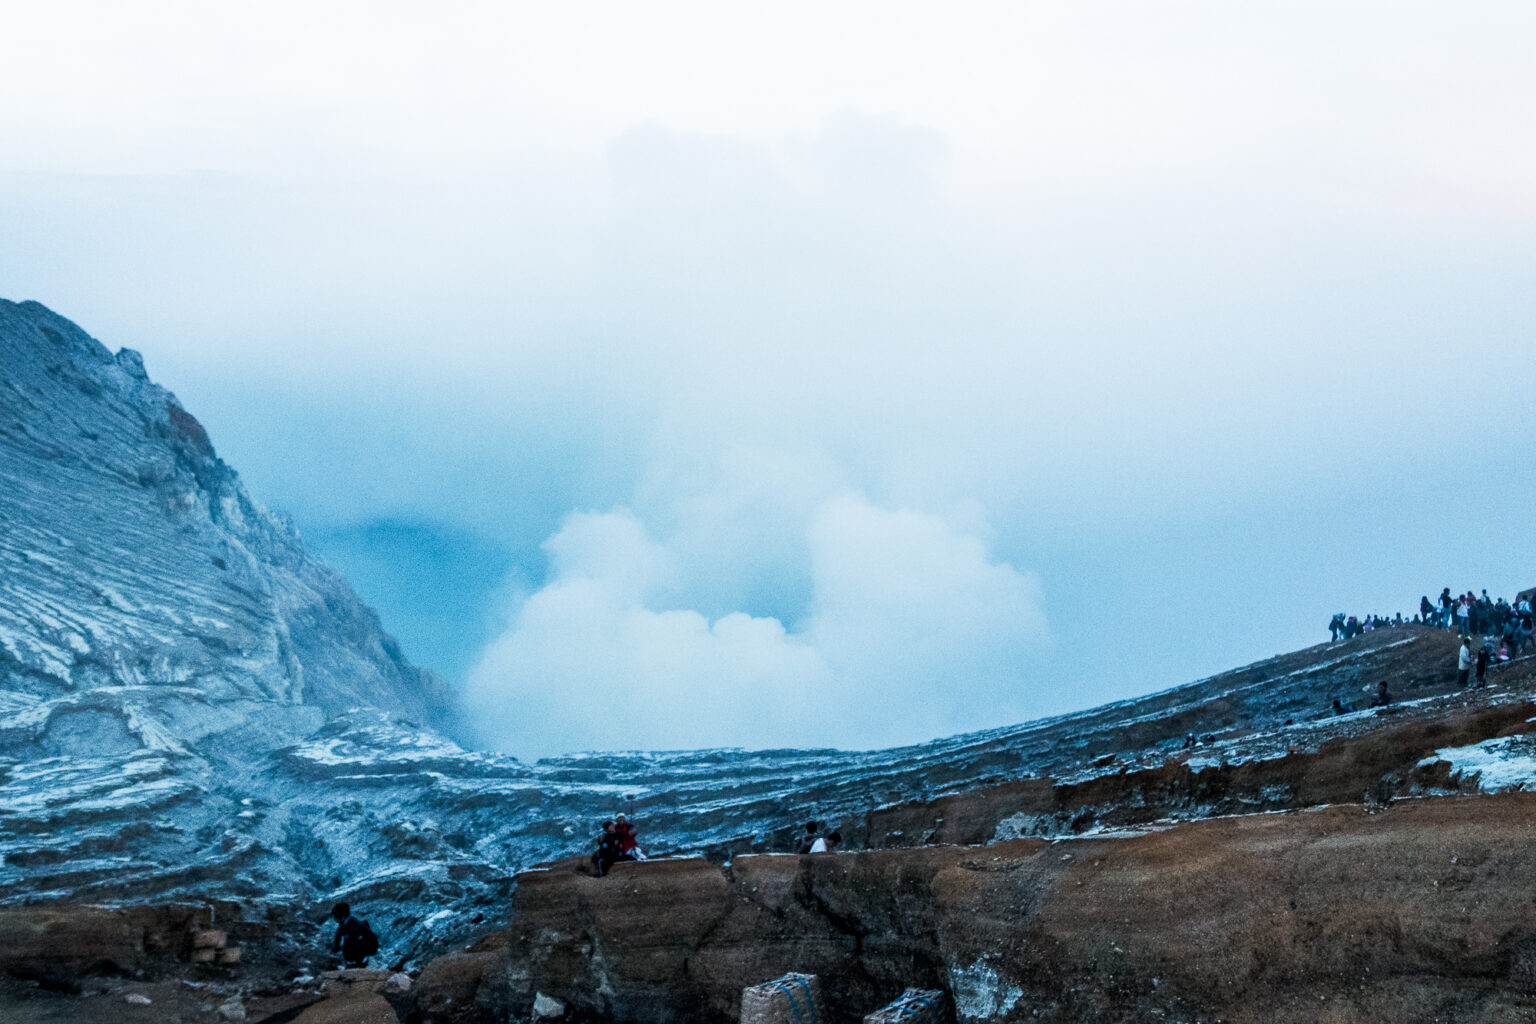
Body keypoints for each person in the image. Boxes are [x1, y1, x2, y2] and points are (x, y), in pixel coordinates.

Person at [330, 903, 377, 969]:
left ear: (342, 917)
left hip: (358, 962)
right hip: (352, 961)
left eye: (335, 917)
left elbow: (357, 945)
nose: (334, 919)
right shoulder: (343, 926)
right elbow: (338, 940)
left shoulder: (354, 926)